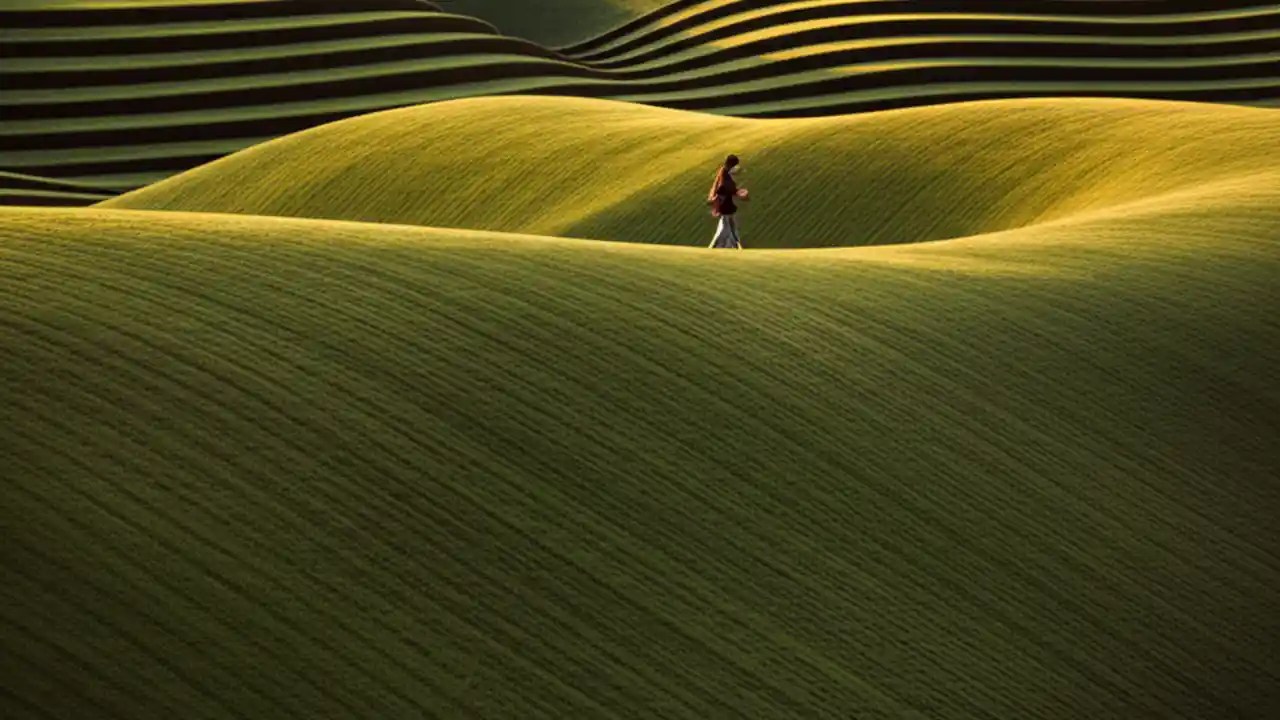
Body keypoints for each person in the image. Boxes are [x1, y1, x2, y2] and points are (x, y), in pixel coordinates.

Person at [707, 154, 750, 249]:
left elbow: (724, 188)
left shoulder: (724, 172)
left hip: (726, 205)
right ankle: (716, 247)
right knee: (725, 228)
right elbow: (723, 189)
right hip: (725, 206)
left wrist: (736, 191)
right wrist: (737, 192)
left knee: (730, 227)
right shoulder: (724, 174)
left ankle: (734, 246)